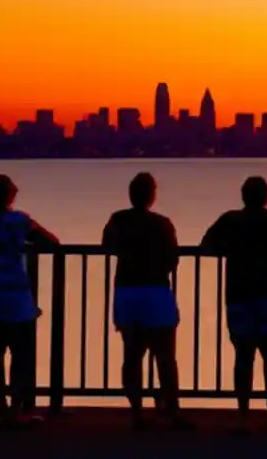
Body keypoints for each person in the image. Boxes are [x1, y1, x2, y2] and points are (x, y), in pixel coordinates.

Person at [201, 176, 267, 434]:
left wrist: (230, 248)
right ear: (266, 196)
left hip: (239, 294)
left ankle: (243, 416)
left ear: (243, 196)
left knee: (243, 357)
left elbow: (207, 245)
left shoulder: (230, 220)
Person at [0, 175, 60, 426]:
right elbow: (51, 242)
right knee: (21, 354)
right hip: (15, 297)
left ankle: (0, 406)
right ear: (10, 196)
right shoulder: (19, 221)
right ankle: (18, 405)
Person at [102, 173, 189, 431]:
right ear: (152, 195)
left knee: (132, 354)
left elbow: (107, 246)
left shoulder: (118, 220)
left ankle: (137, 412)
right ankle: (172, 411)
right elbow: (173, 260)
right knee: (165, 355)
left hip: (128, 292)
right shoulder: (162, 224)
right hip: (156, 291)